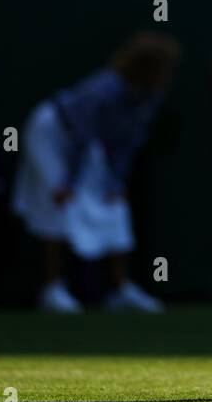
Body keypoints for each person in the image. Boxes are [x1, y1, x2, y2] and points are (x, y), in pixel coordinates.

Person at [12, 32, 180, 313]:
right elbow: (82, 136)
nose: (169, 75)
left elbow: (129, 142)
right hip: (51, 133)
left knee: (114, 204)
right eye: (165, 68)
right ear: (147, 67)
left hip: (86, 145)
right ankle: (52, 289)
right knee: (57, 201)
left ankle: (120, 289)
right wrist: (68, 182)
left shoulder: (151, 95)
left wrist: (115, 181)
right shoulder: (104, 91)